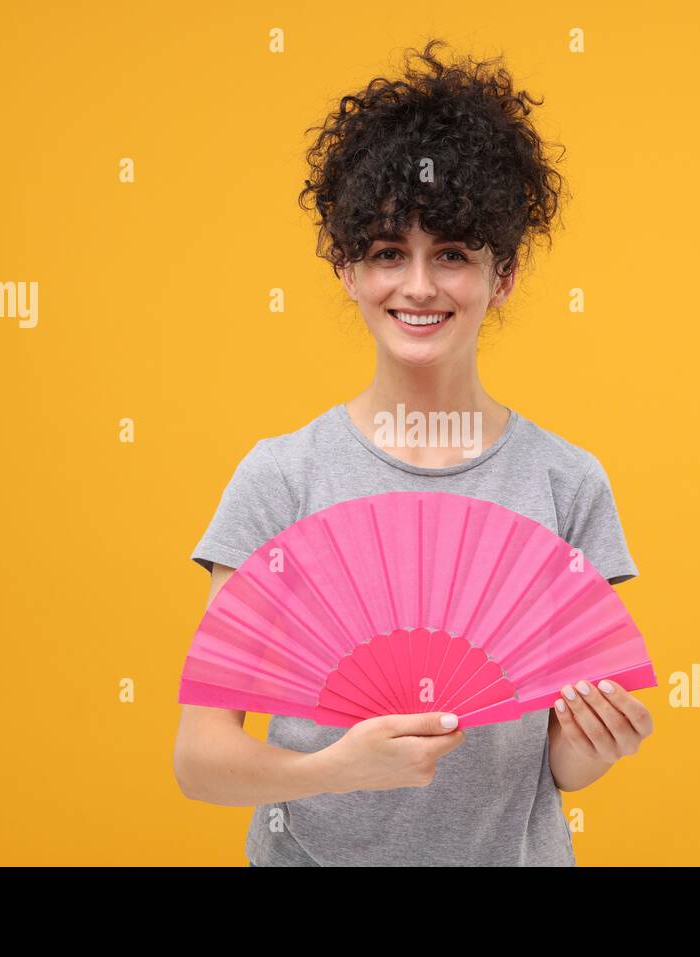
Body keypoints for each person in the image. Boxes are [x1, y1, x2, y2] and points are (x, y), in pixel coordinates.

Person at [172, 38, 653, 866]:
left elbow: (560, 766)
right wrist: (337, 767)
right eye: (389, 252)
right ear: (349, 269)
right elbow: (200, 759)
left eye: (454, 255)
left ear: (502, 276)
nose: (420, 287)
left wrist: (598, 744)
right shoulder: (282, 479)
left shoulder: (566, 481)